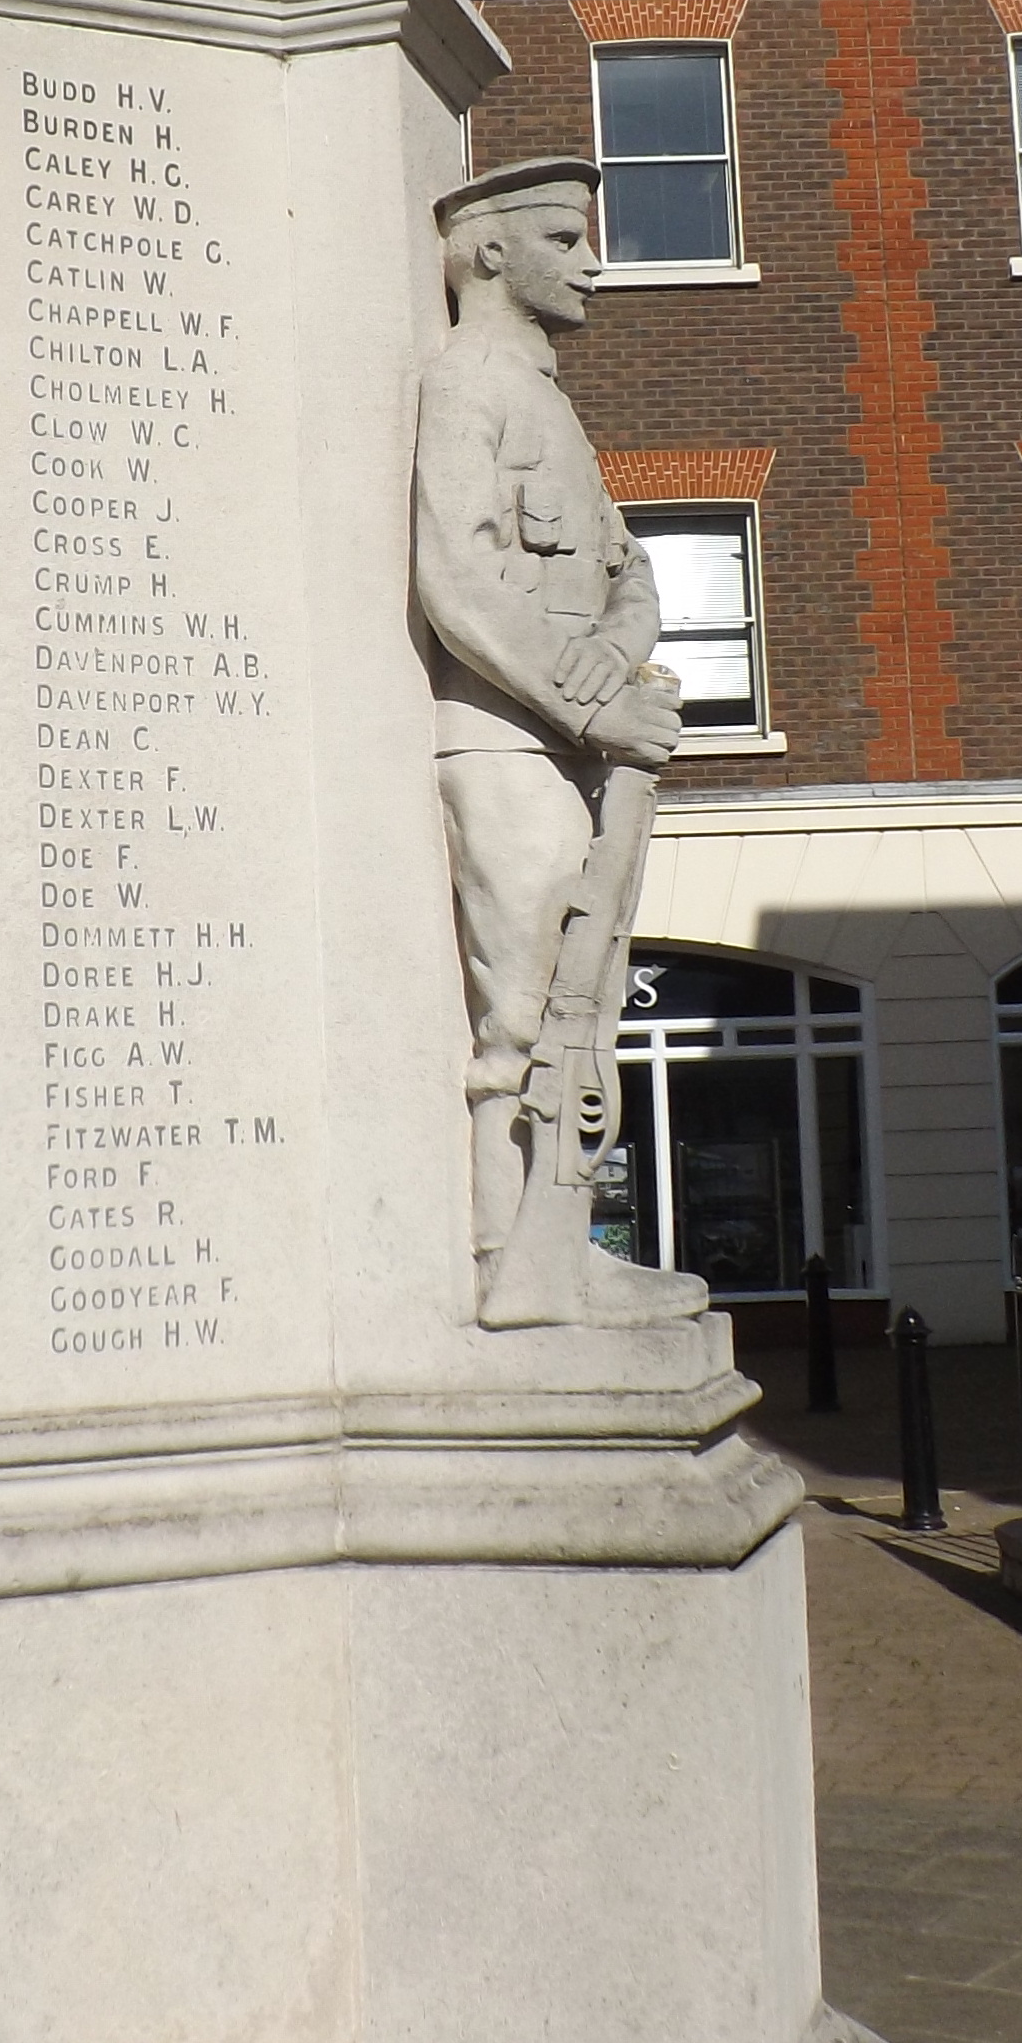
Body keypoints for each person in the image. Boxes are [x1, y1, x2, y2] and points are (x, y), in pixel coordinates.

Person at [414, 158, 710, 1328]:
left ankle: (566, 1243)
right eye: (565, 238)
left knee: (586, 1011)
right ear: (491, 252)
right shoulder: (468, 382)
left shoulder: (550, 401)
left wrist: (615, 670)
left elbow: (626, 571)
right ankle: (515, 1261)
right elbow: (459, 575)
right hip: (500, 740)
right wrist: (586, 703)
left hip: (582, 742)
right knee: (527, 1013)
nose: (592, 263)